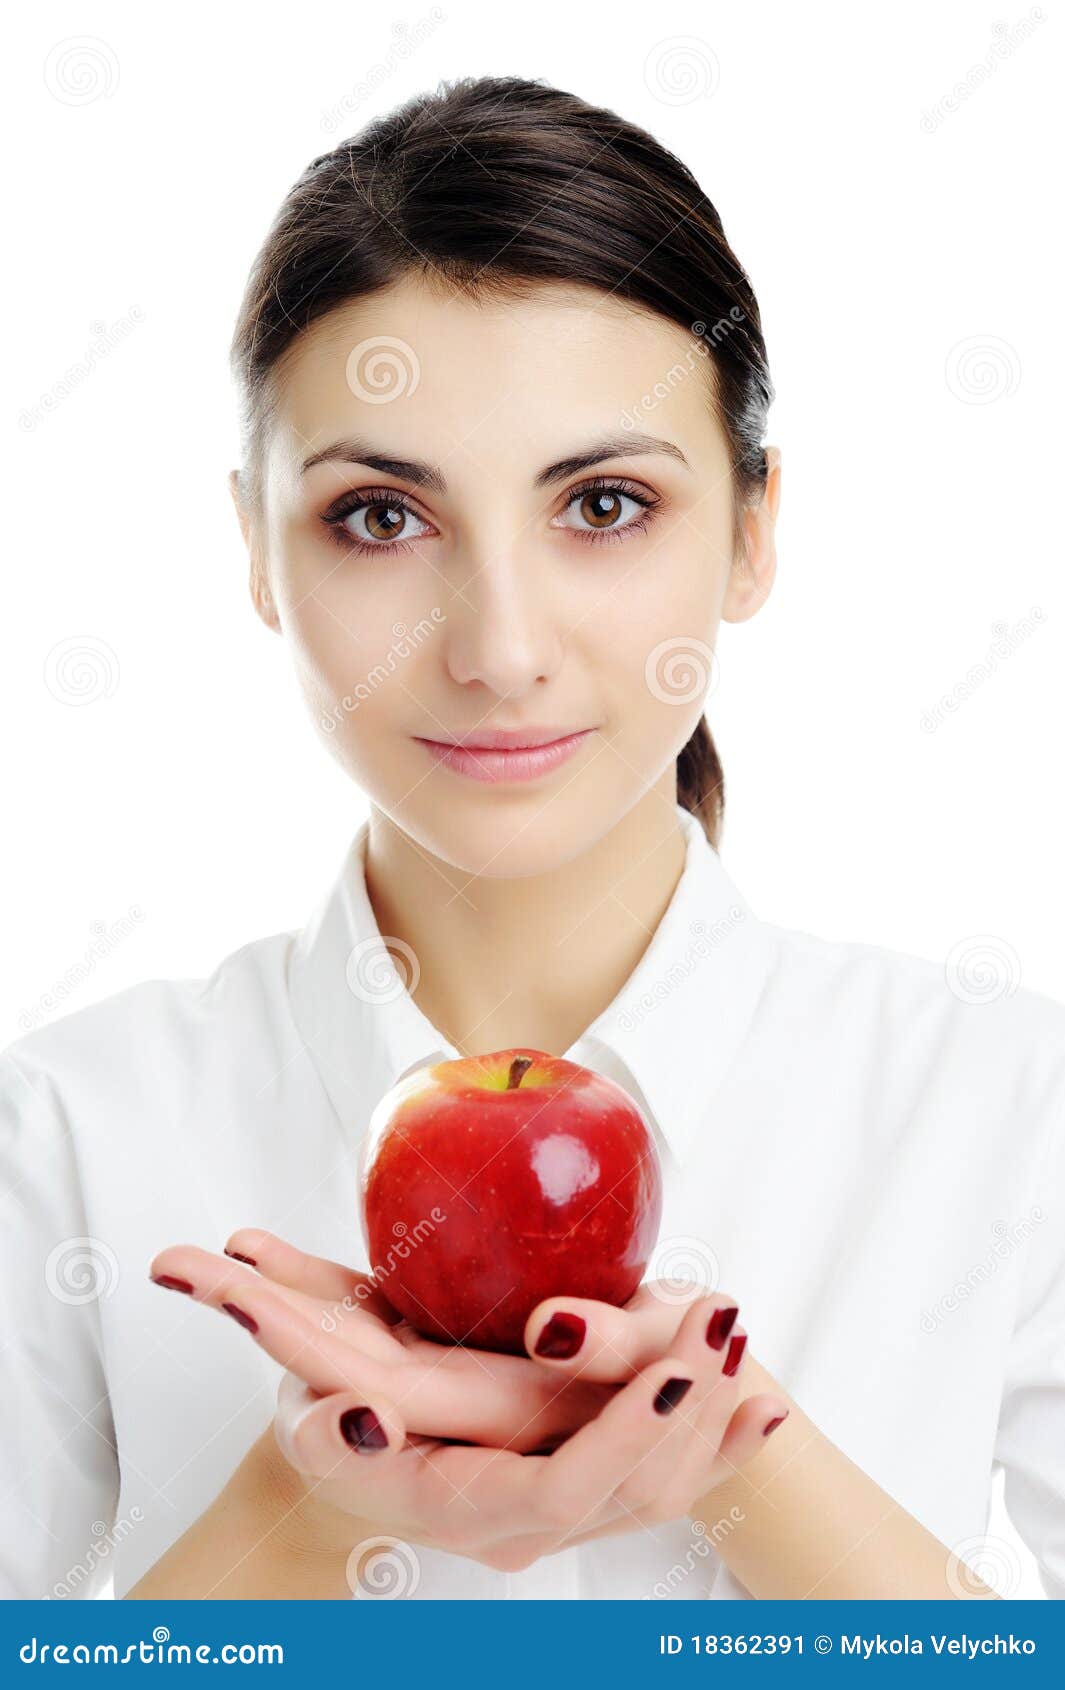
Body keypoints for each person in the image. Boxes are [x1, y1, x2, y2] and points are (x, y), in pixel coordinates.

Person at [3, 75, 1063, 1603]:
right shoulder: (63, 1136)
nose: (499, 648)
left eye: (606, 502)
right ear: (253, 549)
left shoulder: (1008, 1109)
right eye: (380, 515)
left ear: (755, 530)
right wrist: (310, 1502)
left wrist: (748, 1463)